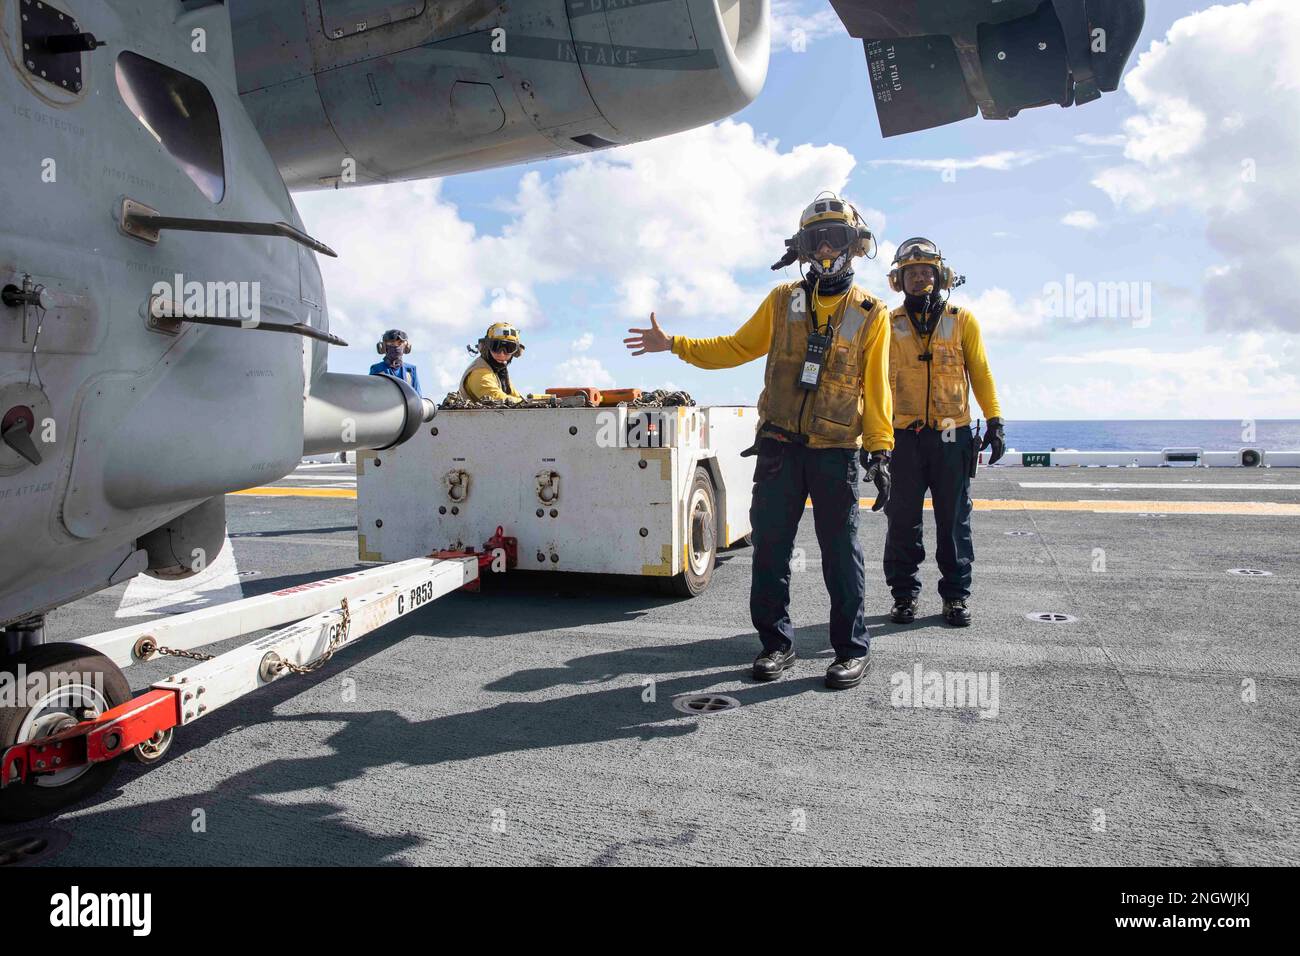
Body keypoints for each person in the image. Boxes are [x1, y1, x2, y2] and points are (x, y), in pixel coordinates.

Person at [625, 193, 892, 690]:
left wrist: (880, 449)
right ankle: (776, 644)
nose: (828, 247)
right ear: (804, 246)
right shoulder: (782, 301)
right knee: (770, 548)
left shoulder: (872, 312)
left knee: (840, 551)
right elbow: (735, 348)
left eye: (837, 237)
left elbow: (877, 388)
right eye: (819, 238)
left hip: (835, 451)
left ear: (856, 246)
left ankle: (852, 650)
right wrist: (675, 344)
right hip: (779, 447)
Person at [882, 238, 1005, 628]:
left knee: (954, 521)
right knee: (902, 520)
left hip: (953, 435)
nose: (920, 279)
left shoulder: (962, 320)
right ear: (898, 281)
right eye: (911, 273)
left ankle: (955, 597)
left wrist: (996, 420)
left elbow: (981, 372)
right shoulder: (887, 324)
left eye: (926, 272)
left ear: (941, 276)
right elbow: (870, 382)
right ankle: (904, 596)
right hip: (902, 437)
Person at [458, 322, 525, 403]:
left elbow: (517, 397)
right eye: (496, 347)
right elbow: (499, 399)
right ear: (486, 347)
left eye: (509, 348)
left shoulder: (498, 371)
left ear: (516, 351)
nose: (502, 354)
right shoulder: (479, 372)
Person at [370, 328, 422, 395]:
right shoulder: (377, 369)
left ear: (406, 347)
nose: (396, 347)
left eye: (400, 343)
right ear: (383, 347)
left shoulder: (411, 370)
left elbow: (418, 397)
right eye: (392, 344)